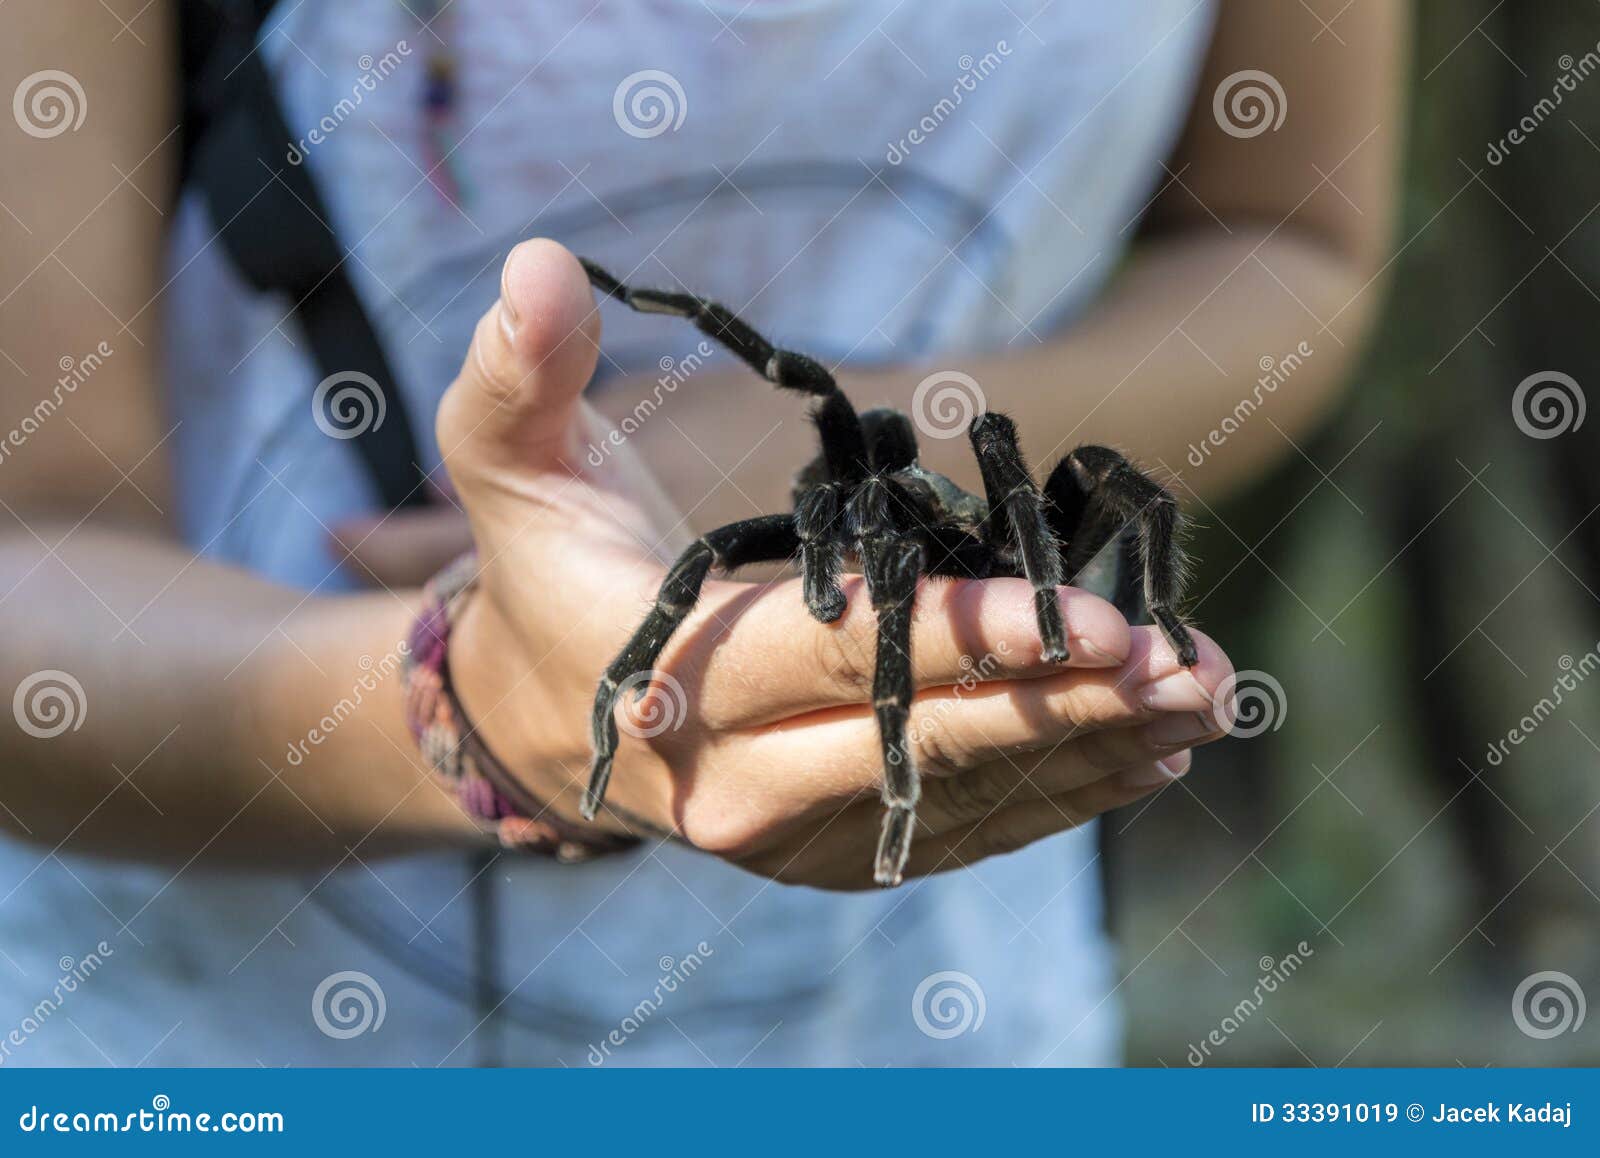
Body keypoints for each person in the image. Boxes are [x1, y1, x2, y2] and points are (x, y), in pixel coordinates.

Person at [0, 0, 1401, 1066]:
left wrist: (785, 435)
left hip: (948, 1028)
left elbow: (1289, 235)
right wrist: (501, 707)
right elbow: (33, 537)